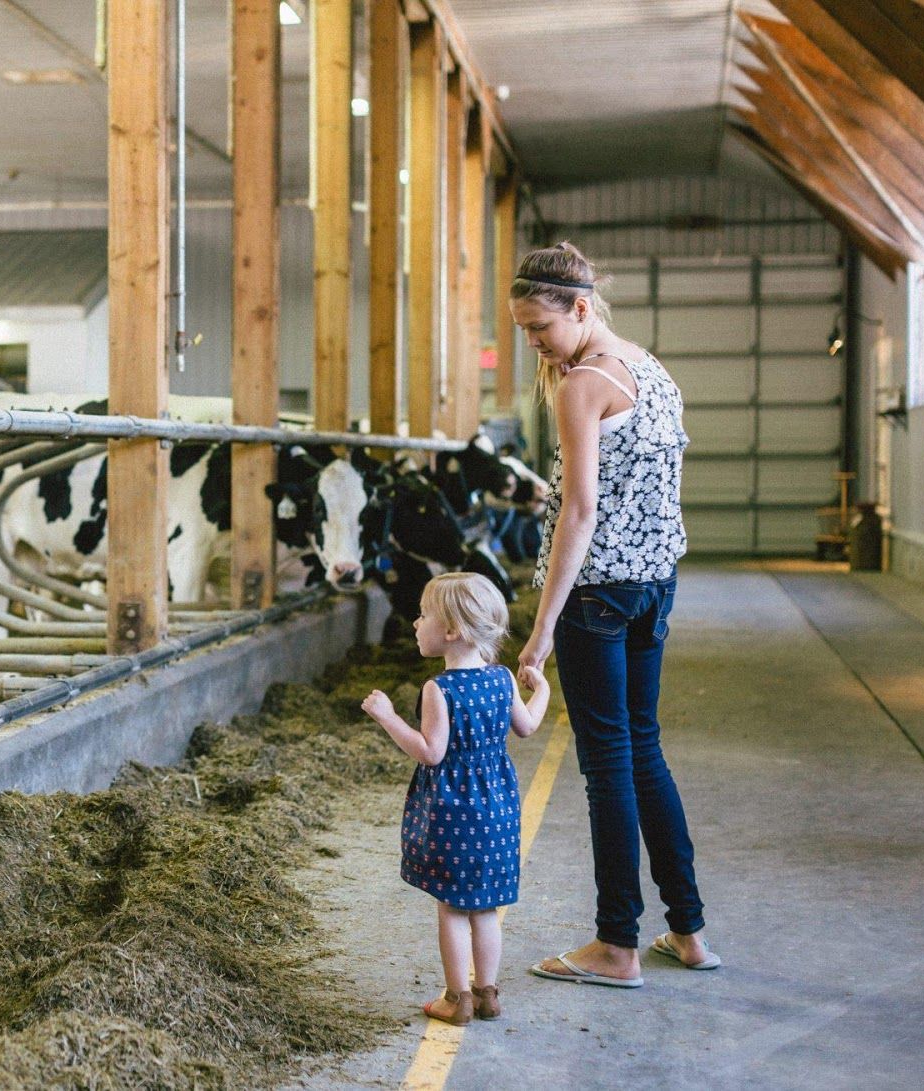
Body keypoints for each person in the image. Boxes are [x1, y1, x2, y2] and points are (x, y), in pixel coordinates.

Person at [511, 242, 719, 988]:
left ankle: (616, 945)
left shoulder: (582, 386)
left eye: (540, 328)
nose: (534, 343)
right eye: (524, 332)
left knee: (606, 765)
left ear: (579, 307)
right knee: (642, 749)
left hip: (596, 594)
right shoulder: (651, 368)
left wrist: (540, 631)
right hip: (654, 586)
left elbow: (580, 511)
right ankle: (687, 930)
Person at [361, 572, 550, 1025]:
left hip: (454, 810)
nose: (415, 623)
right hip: (499, 808)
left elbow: (431, 752)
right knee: (485, 907)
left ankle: (457, 998)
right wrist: (542, 687)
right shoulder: (502, 679)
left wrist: (388, 717)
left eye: (423, 615)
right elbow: (526, 727)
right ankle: (488, 993)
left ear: (450, 631)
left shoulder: (439, 689)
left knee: (451, 906)